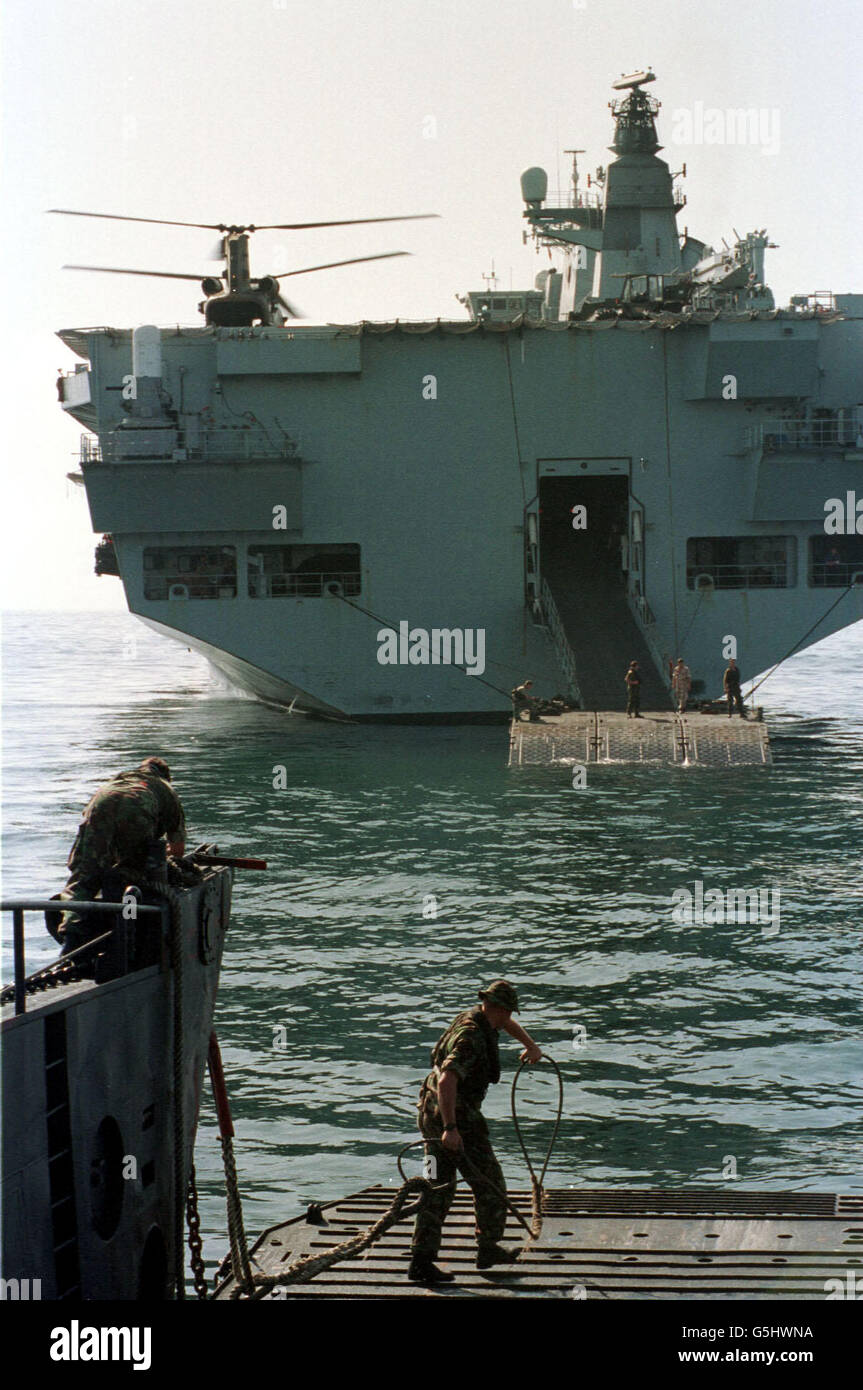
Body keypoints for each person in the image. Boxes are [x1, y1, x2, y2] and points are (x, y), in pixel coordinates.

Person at [409, 980, 543, 1285]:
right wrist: (451, 1130)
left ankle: (431, 1258)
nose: (509, 1018)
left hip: (431, 1111)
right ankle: (480, 1249)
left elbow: (506, 1024)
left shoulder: (477, 1017)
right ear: (499, 1007)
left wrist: (530, 1045)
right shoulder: (471, 1037)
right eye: (507, 1011)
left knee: (438, 1185)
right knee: (488, 1182)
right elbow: (447, 1082)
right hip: (453, 1117)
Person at [56, 757, 186, 956]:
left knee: (83, 877)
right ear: (166, 776)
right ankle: (126, 935)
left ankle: (70, 940)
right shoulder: (165, 789)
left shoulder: (119, 779)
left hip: (101, 801)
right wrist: (167, 862)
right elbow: (177, 846)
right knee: (130, 879)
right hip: (138, 806)